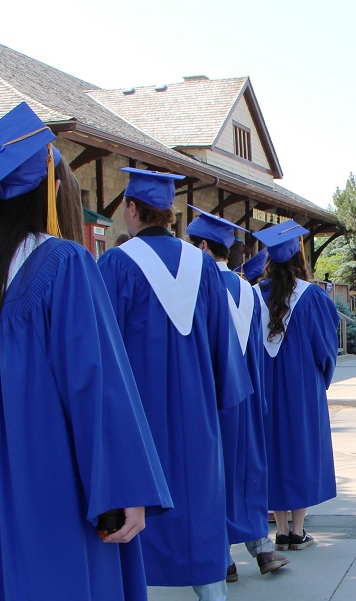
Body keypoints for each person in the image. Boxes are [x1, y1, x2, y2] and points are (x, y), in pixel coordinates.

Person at [0, 101, 172, 600]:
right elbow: (95, 382)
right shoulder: (62, 263)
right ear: (55, 188)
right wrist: (125, 485)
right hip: (57, 485)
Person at [98, 168, 251, 601]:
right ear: (170, 214)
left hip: (136, 421)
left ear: (132, 209)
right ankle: (212, 593)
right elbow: (225, 350)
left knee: (137, 506)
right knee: (198, 504)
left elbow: (102, 353)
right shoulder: (203, 266)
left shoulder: (114, 265)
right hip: (197, 417)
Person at [185, 207, 290, 581]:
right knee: (247, 473)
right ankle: (262, 549)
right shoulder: (248, 290)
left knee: (212, 478)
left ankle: (223, 559)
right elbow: (257, 352)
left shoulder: (194, 283)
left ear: (200, 245)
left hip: (210, 399)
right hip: (245, 397)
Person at [252, 220, 340, 551]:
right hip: (302, 390)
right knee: (301, 449)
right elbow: (327, 350)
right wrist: (321, 378)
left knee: (273, 449)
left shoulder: (255, 296)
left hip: (266, 388)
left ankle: (281, 528)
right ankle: (297, 531)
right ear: (298, 260)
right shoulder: (313, 297)